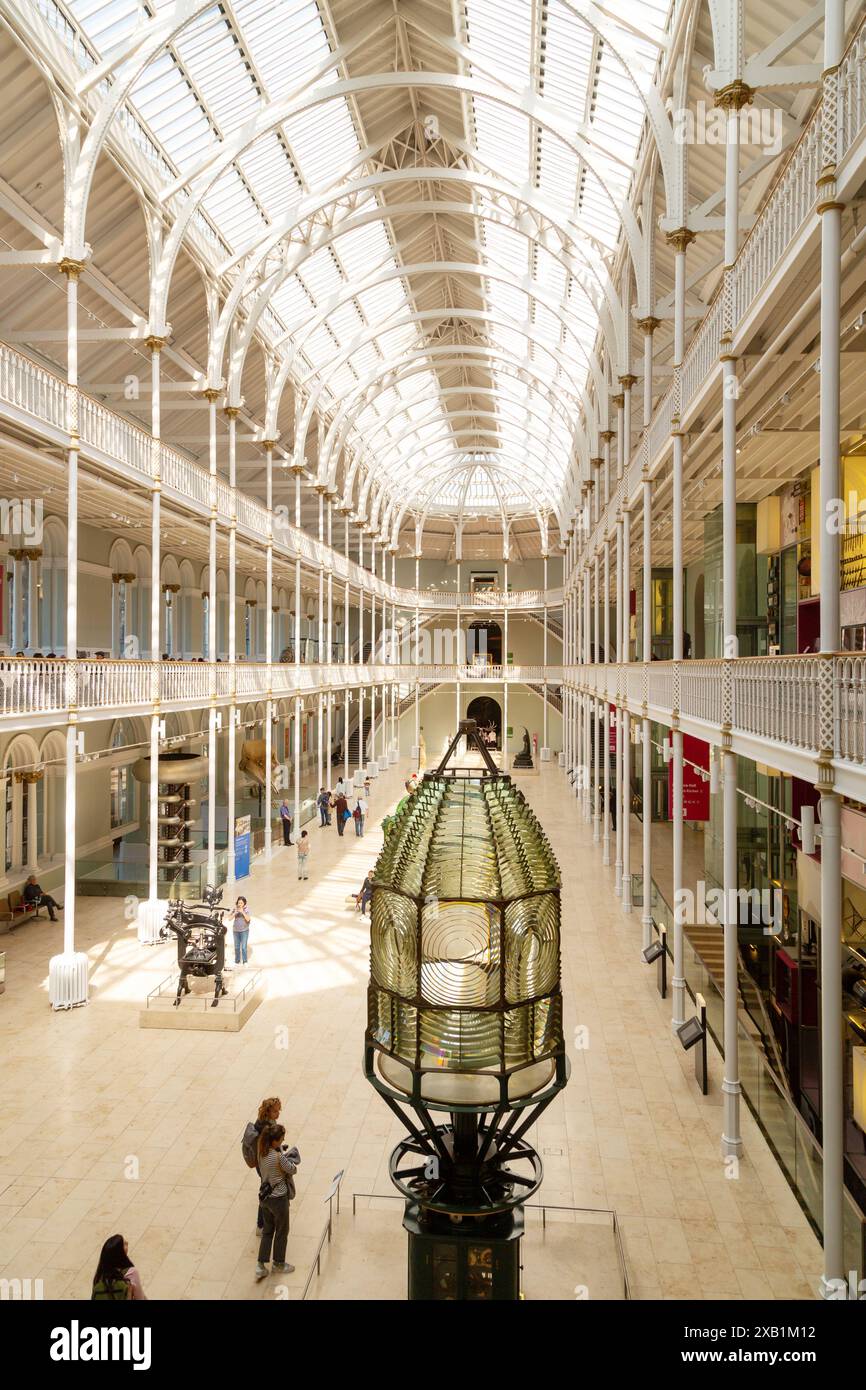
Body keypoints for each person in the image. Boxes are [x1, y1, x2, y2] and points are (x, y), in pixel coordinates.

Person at [256, 1123, 300, 1280]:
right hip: (279, 1199)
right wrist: (283, 1155)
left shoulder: (261, 1152)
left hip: (265, 1198)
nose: (282, 1141)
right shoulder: (278, 1157)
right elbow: (292, 1169)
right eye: (281, 1139)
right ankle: (278, 1263)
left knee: (268, 1231)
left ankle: (260, 1265)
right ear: (275, 1141)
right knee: (282, 1231)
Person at [242, 1097, 282, 1236]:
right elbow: (266, 1148)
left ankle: (266, 1221)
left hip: (264, 1162)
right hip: (264, 1164)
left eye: (279, 1110)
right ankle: (260, 1225)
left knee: (266, 1191)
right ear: (268, 1111)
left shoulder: (267, 1122)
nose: (278, 1113)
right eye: (275, 1111)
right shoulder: (265, 1128)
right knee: (265, 1192)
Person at [91, 1234, 147, 1301]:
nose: (127, 1243)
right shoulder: (131, 1272)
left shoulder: (100, 1276)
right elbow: (140, 1298)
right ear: (119, 1253)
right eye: (124, 1244)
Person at [233, 896, 250, 965]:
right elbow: (229, 918)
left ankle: (245, 961)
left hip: (244, 931)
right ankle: (237, 961)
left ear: (244, 904)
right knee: (237, 947)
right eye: (239, 903)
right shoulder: (235, 909)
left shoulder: (246, 910)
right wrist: (235, 912)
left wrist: (242, 911)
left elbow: (248, 919)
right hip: (235, 931)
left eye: (241, 903)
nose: (239, 904)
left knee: (243, 947)